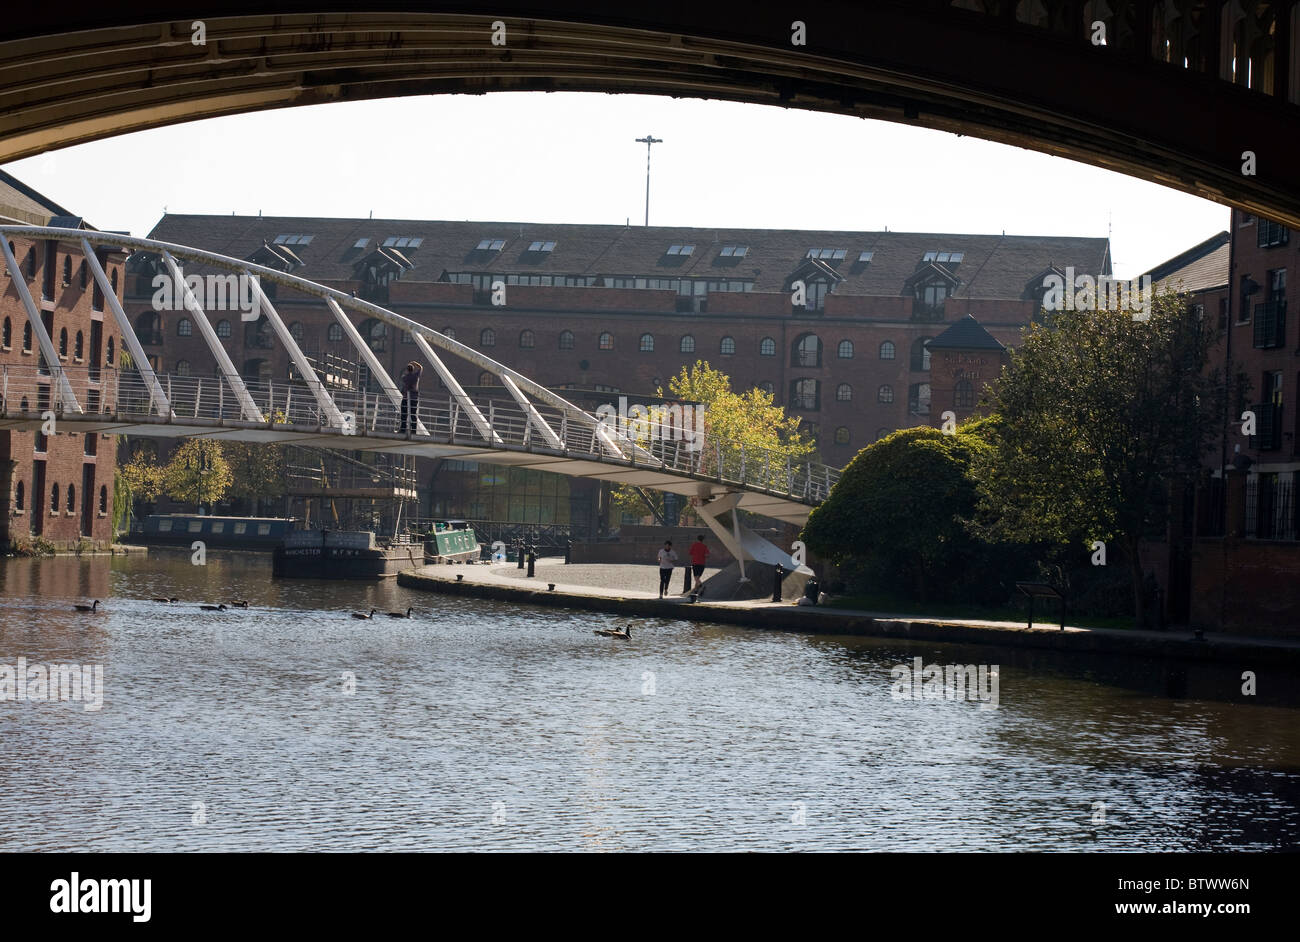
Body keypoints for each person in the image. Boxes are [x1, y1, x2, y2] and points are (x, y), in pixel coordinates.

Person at [399, 361, 421, 432]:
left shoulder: (405, 378)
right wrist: (415, 363)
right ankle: (414, 430)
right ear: (413, 369)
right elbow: (421, 367)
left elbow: (403, 383)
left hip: (406, 397)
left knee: (404, 414)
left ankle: (403, 429)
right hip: (414, 398)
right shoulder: (416, 376)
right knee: (413, 414)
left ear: (407, 370)